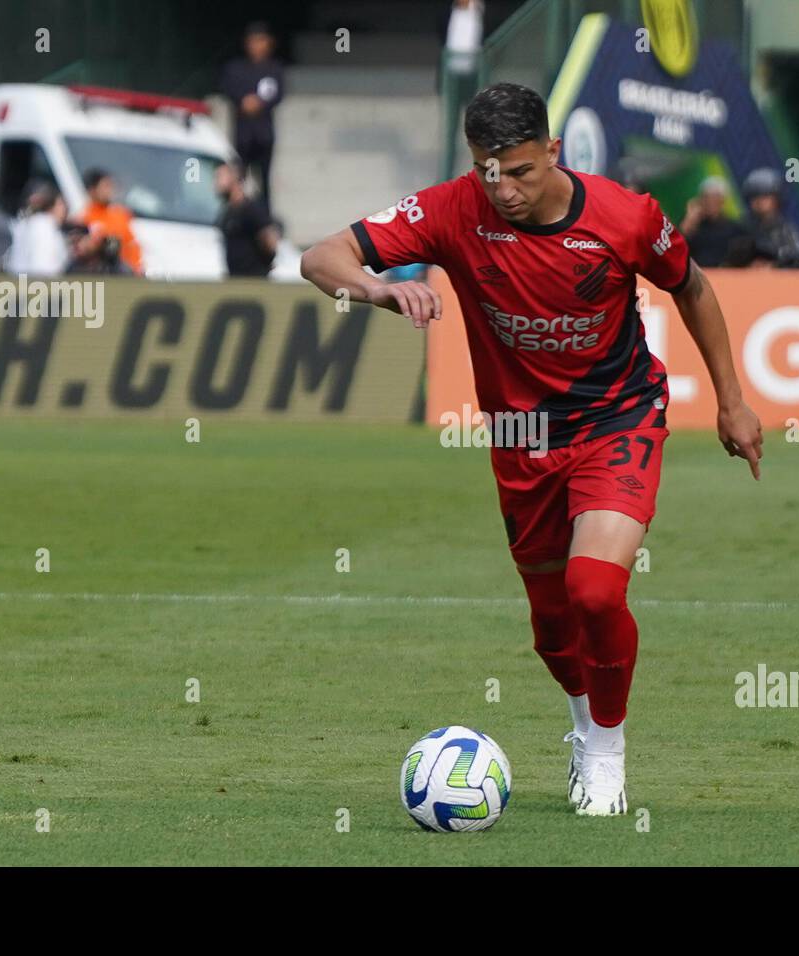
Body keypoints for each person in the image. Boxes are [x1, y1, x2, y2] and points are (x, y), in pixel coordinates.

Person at [300, 83, 762, 817]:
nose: (505, 189)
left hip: (618, 419)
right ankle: (581, 727)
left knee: (595, 590)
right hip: (520, 438)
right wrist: (375, 290)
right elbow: (321, 256)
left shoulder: (624, 216)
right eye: (490, 170)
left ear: (552, 152)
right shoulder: (450, 209)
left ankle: (608, 753)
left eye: (520, 171)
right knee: (551, 623)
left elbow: (694, 287)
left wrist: (732, 401)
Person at [219, 21, 284, 212]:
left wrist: (260, 103)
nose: (256, 45)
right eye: (253, 41)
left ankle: (264, 219)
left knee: (264, 180)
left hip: (264, 134)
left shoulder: (274, 69)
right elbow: (228, 88)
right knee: (238, 177)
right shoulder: (235, 68)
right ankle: (235, 215)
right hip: (242, 134)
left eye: (261, 41)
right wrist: (242, 100)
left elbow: (277, 94)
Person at [215, 161, 277, 277]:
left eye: (220, 177)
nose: (216, 183)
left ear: (234, 177)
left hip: (254, 280)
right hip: (235, 279)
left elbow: (269, 241)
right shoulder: (228, 211)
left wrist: (265, 264)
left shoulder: (251, 209)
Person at [75, 168, 143, 274]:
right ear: (92, 190)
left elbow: (132, 245)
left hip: (125, 273)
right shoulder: (83, 218)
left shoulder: (121, 215)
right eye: (105, 186)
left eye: (110, 186)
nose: (109, 191)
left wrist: (137, 267)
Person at [741, 167, 799, 268]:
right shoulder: (741, 229)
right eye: (755, 196)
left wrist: (774, 266)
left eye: (765, 196)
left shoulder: (787, 232)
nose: (759, 201)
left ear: (776, 199)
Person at [680, 175, 749, 268]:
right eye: (706, 197)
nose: (710, 202)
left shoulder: (735, 229)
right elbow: (678, 248)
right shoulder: (694, 227)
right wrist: (690, 219)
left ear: (722, 201)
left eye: (715, 198)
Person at [5, 180, 68, 276]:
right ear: (50, 205)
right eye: (61, 204)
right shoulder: (45, 226)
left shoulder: (24, 223)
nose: (64, 209)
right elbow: (44, 267)